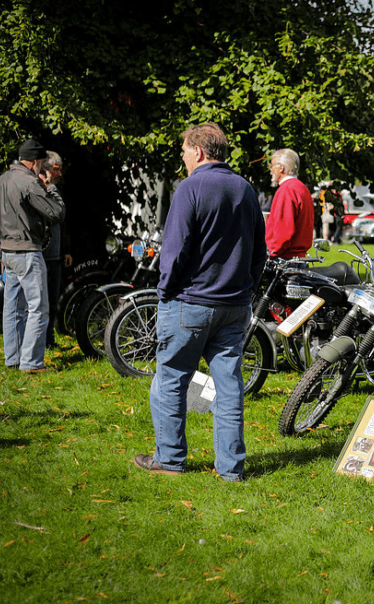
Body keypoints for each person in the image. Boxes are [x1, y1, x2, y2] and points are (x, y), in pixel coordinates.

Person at [133, 123, 265, 481]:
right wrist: (246, 288)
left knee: (171, 379)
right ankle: (231, 469)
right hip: (234, 305)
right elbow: (259, 252)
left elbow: (173, 251)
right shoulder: (246, 189)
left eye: (184, 152)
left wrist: (165, 291)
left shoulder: (190, 187)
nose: (183, 158)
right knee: (229, 387)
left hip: (190, 302)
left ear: (199, 152)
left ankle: (170, 460)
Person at [0, 139, 65, 373]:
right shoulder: (29, 182)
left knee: (12, 309)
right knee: (38, 308)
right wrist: (49, 188)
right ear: (34, 162)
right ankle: (31, 363)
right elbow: (56, 213)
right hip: (28, 252)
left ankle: (12, 359)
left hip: (8, 253)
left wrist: (0, 253)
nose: (42, 170)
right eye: (41, 164)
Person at [42, 151, 72, 348]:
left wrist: (66, 249)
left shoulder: (53, 190)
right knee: (40, 302)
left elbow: (62, 220)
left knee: (52, 301)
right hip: (41, 254)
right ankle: (40, 342)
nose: (59, 174)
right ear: (45, 169)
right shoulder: (39, 189)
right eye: (56, 170)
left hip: (56, 255)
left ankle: (49, 340)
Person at [265, 148, 314, 259]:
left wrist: (270, 253)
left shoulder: (287, 189)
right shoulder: (301, 187)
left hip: (285, 258)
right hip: (298, 257)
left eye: (272, 166)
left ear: (281, 168)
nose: (271, 170)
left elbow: (283, 231)